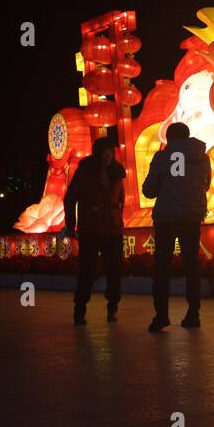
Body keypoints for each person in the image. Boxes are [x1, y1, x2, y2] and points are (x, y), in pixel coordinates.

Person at [141, 122, 210, 332]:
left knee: (162, 267)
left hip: (167, 218)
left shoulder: (163, 157)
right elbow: (206, 184)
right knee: (191, 266)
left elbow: (149, 190)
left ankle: (161, 315)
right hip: (191, 216)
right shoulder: (202, 157)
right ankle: (193, 314)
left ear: (169, 139)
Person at [63, 135, 127, 325]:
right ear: (97, 153)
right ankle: (80, 309)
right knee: (87, 270)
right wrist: (71, 224)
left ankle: (112, 306)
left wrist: (118, 218)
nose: (107, 156)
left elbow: (121, 198)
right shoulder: (85, 171)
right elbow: (70, 198)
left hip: (112, 229)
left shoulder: (117, 171)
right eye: (103, 152)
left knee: (114, 270)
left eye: (110, 152)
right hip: (90, 228)